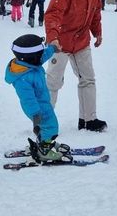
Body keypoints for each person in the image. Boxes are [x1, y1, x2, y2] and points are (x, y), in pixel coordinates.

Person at [45, 0, 108, 132]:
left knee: (88, 79)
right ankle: (45, 122)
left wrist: (97, 32)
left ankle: (88, 120)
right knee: (53, 81)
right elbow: (53, 14)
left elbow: (95, 11)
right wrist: (53, 38)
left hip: (81, 41)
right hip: (61, 42)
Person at [5, 34, 71, 163]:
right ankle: (44, 150)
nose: (42, 55)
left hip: (42, 104)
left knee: (45, 127)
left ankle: (45, 142)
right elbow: (27, 99)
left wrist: (52, 48)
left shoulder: (29, 62)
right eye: (39, 53)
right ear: (32, 56)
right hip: (36, 108)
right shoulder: (22, 78)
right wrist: (35, 114)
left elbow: (43, 55)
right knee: (51, 126)